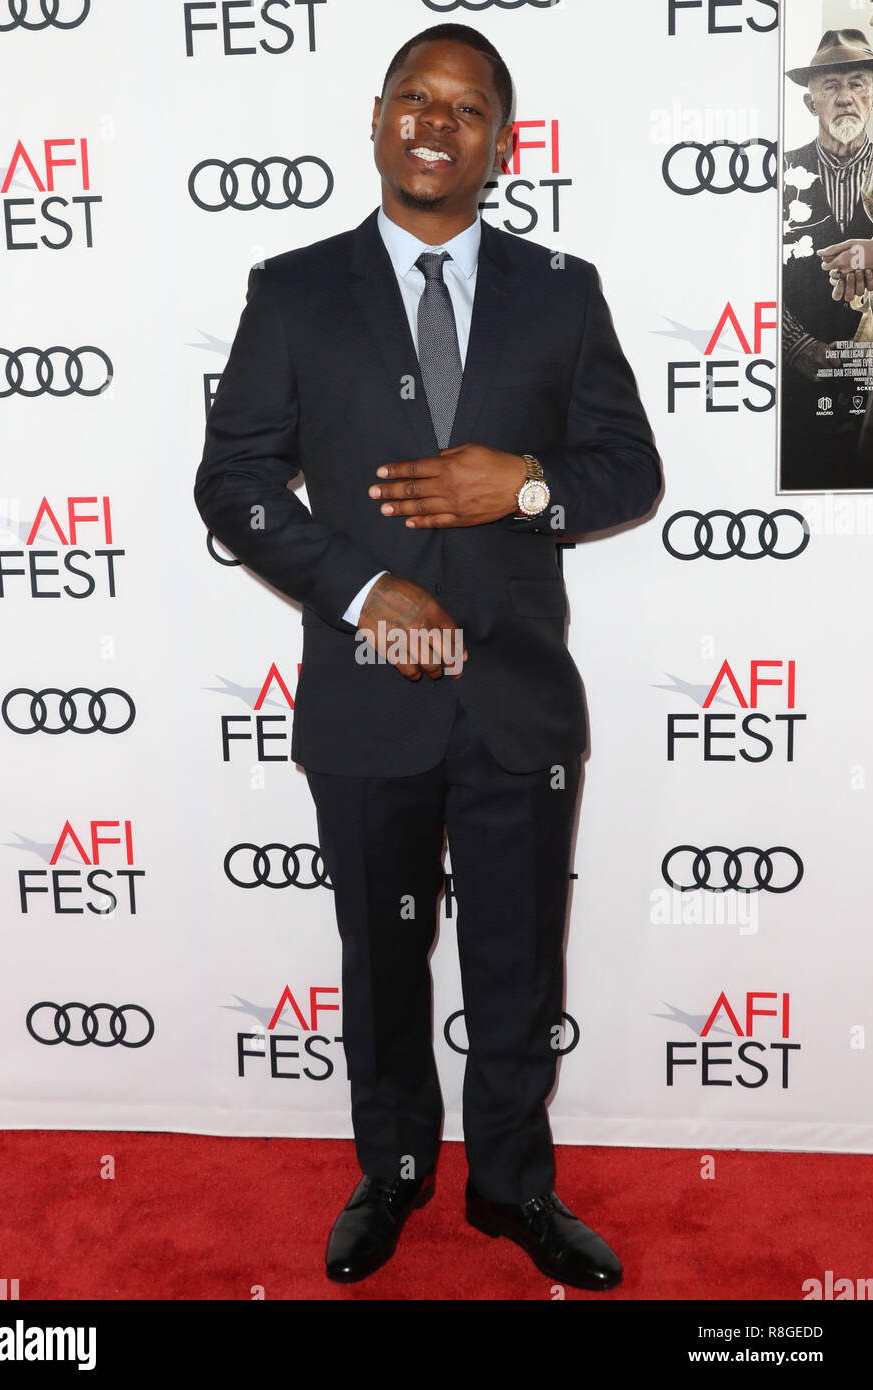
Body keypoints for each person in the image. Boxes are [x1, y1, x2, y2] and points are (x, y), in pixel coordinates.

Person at [195, 22, 661, 1289]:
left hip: (517, 702)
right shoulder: (293, 288)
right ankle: (391, 1176)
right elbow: (231, 481)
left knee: (517, 964)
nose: (434, 122)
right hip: (364, 704)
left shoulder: (562, 291)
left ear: (500, 144)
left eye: (464, 108)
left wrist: (523, 489)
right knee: (382, 960)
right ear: (378, 118)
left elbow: (629, 468)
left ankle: (513, 1191)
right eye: (415, 98)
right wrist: (361, 589)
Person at [781, 29, 873, 489]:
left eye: (858, 83)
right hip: (797, 394)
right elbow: (741, 273)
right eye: (831, 86)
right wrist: (796, 345)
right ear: (810, 101)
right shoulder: (773, 175)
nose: (845, 98)